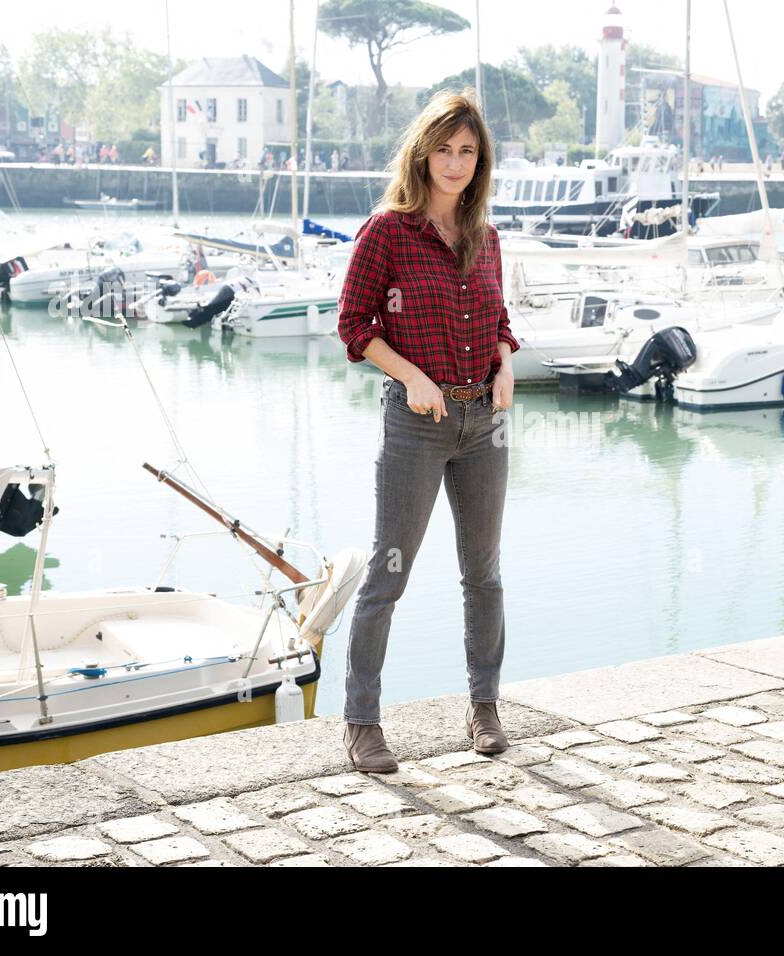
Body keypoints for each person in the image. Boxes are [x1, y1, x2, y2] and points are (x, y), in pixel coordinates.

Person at [335, 88, 518, 773]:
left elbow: (498, 323)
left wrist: (506, 365)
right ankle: (361, 722)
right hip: (415, 423)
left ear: (480, 161)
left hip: (484, 423)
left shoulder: (487, 238)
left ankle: (485, 708)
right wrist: (411, 375)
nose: (455, 162)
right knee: (388, 573)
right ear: (422, 154)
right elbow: (355, 326)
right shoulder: (387, 230)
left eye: (467, 151)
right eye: (443, 148)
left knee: (485, 575)